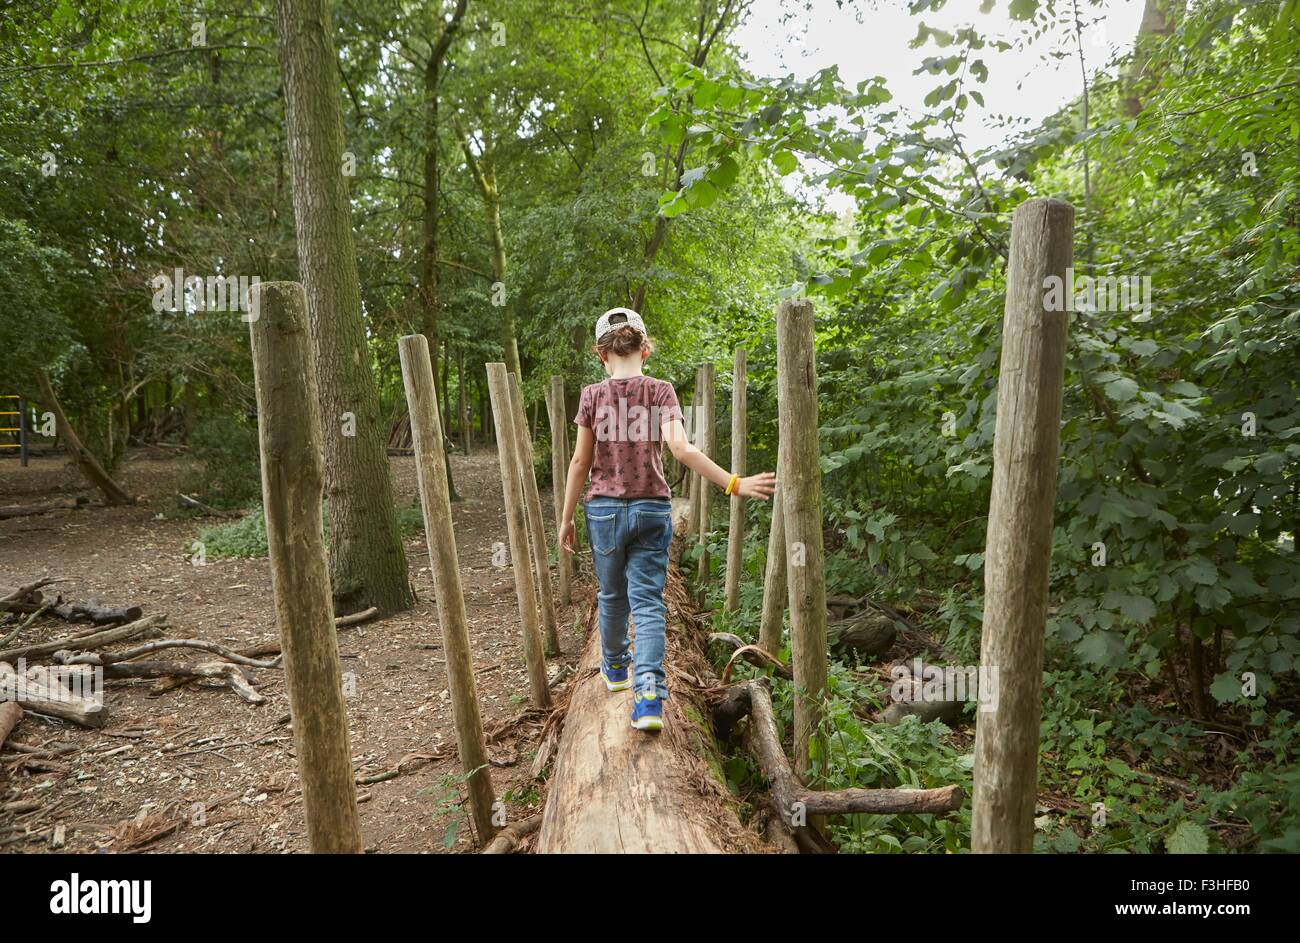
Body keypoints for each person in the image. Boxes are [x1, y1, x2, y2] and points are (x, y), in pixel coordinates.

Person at [558, 308, 776, 731]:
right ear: (646, 349)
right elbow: (682, 450)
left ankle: (616, 668)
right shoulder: (661, 391)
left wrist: (566, 518)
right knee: (648, 603)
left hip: (602, 509)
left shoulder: (591, 396)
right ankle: (649, 696)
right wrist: (733, 483)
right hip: (652, 509)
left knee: (611, 595)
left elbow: (580, 460)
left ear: (601, 355)